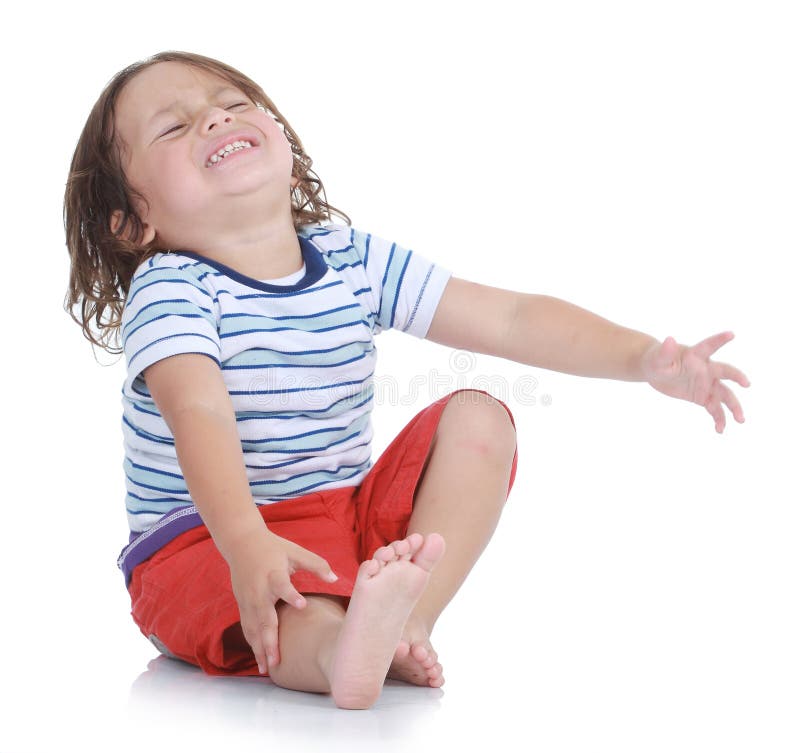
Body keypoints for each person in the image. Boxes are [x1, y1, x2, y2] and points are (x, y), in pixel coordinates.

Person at [63, 51, 750, 710]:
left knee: (480, 415)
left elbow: (510, 317)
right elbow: (200, 414)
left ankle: (404, 622)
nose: (213, 119)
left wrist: (643, 359)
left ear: (288, 158)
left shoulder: (350, 259)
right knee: (288, 608)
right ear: (134, 223)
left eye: (232, 104)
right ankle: (341, 654)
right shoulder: (171, 288)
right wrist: (246, 542)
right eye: (175, 126)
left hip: (342, 517)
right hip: (202, 542)